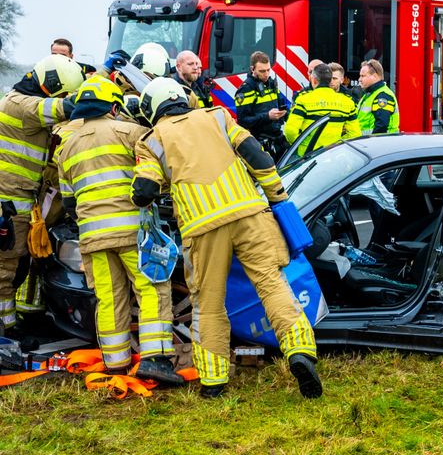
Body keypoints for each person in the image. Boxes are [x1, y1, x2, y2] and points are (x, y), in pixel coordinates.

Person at [131, 77, 322, 399]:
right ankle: (300, 350)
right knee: (272, 284)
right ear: (181, 97)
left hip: (203, 227)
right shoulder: (218, 117)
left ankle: (214, 381)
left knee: (208, 304)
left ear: (150, 110)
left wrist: (156, 186)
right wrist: (277, 198)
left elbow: (144, 191)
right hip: (250, 214)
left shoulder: (151, 140)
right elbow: (259, 158)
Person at [55, 76, 183, 384]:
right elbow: (156, 171)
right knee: (152, 288)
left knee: (109, 299)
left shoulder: (66, 146)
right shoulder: (130, 131)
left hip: (92, 237)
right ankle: (155, 359)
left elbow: (68, 199)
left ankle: (116, 364)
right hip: (132, 235)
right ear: (114, 106)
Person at [0, 55, 84, 334]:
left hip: (19, 198)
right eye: (62, 91)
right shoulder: (20, 104)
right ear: (51, 83)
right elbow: (63, 108)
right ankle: (7, 330)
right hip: (9, 200)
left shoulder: (22, 100)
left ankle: (13, 322)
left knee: (19, 262)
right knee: (7, 266)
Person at [284, 63, 361, 158]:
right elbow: (355, 133)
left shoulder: (303, 100)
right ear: (329, 81)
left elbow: (290, 131)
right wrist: (337, 145)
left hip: (307, 156)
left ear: (314, 80)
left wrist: (301, 145)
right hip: (334, 155)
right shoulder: (347, 102)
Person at [234, 51, 292, 160]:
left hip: (278, 139)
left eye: (268, 70)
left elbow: (282, 105)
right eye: (262, 71)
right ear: (252, 69)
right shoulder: (247, 89)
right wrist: (267, 116)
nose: (266, 74)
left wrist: (284, 113)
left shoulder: (271, 84)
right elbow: (243, 121)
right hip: (259, 142)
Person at [357, 59, 400, 135]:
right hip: (367, 142)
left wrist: (372, 142)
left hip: (377, 143)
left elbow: (381, 126)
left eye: (363, 76)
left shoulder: (382, 95)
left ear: (374, 76)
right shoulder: (370, 94)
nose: (359, 79)